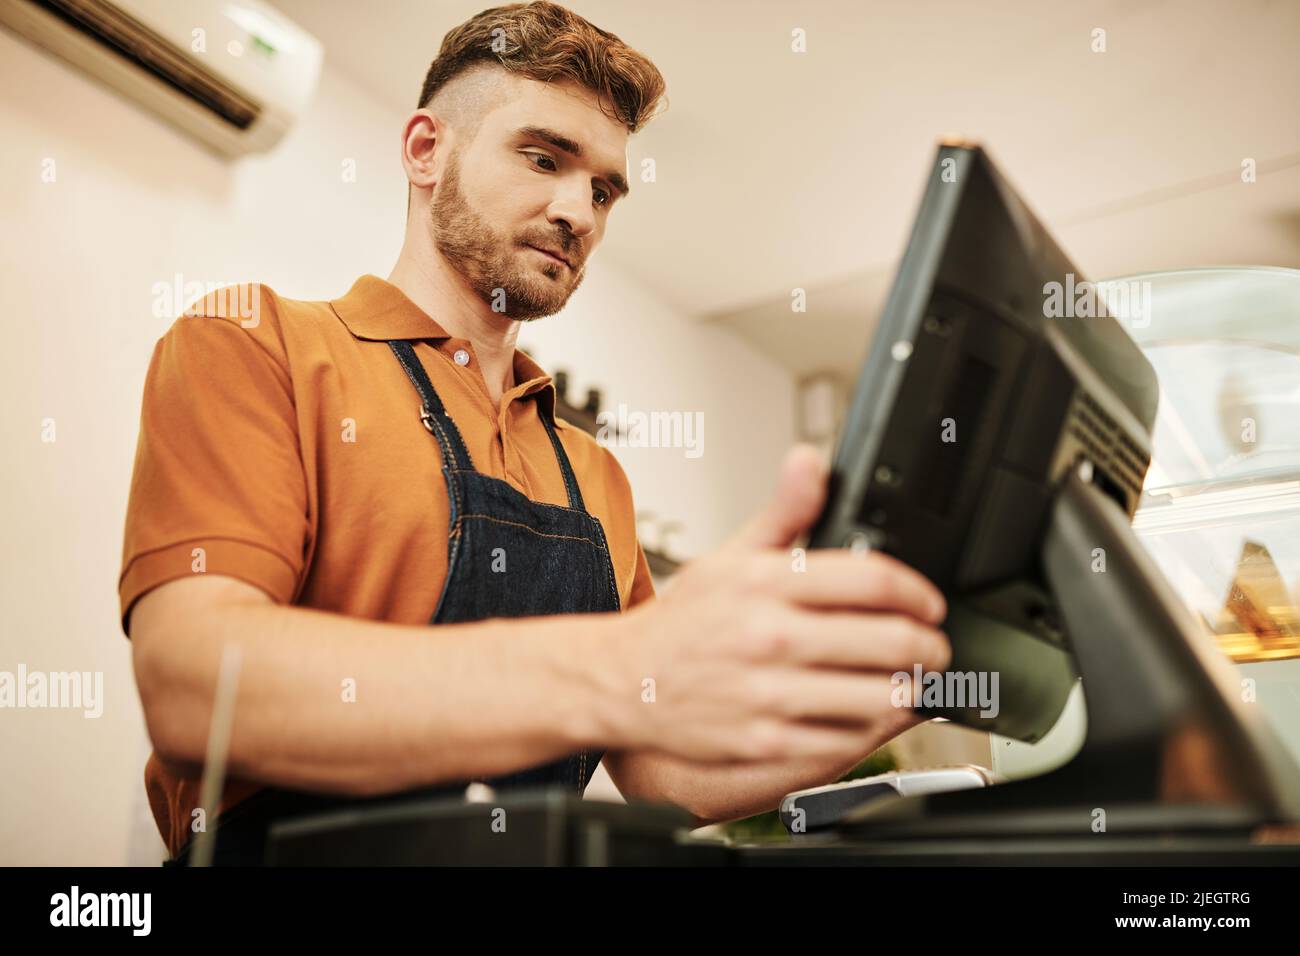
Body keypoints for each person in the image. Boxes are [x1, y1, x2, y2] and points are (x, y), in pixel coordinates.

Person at [119, 1, 949, 865]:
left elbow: (666, 771)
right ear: (424, 150)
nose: (579, 213)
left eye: (602, 189)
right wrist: (618, 662)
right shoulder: (256, 345)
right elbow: (195, 688)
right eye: (542, 158)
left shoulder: (594, 474)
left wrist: (929, 677)